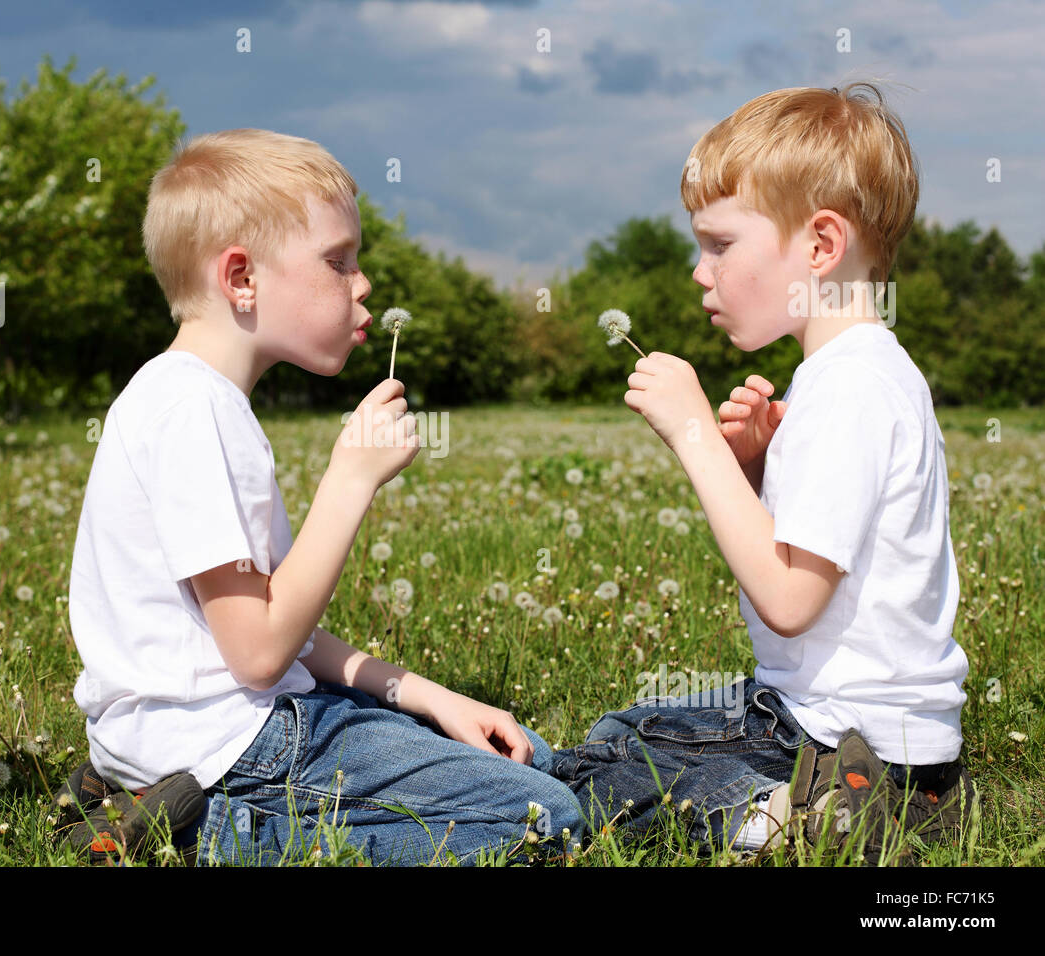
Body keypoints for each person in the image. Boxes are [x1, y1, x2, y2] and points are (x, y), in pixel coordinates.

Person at [62, 128, 584, 866]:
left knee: (529, 754)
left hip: (193, 736)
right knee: (543, 815)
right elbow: (260, 654)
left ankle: (142, 793)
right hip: (233, 745)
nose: (363, 284)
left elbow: (284, 634)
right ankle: (205, 833)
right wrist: (351, 479)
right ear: (241, 277)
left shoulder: (180, 396)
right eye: (338, 262)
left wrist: (432, 697)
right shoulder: (194, 412)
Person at [552, 83, 974, 863]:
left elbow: (788, 601)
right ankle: (893, 805)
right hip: (902, 746)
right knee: (629, 728)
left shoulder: (848, 388)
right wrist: (753, 470)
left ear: (820, 246)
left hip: (830, 736)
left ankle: (793, 818)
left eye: (720, 244)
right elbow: (816, 565)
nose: (699, 271)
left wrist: (696, 439)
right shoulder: (865, 374)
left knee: (600, 766)